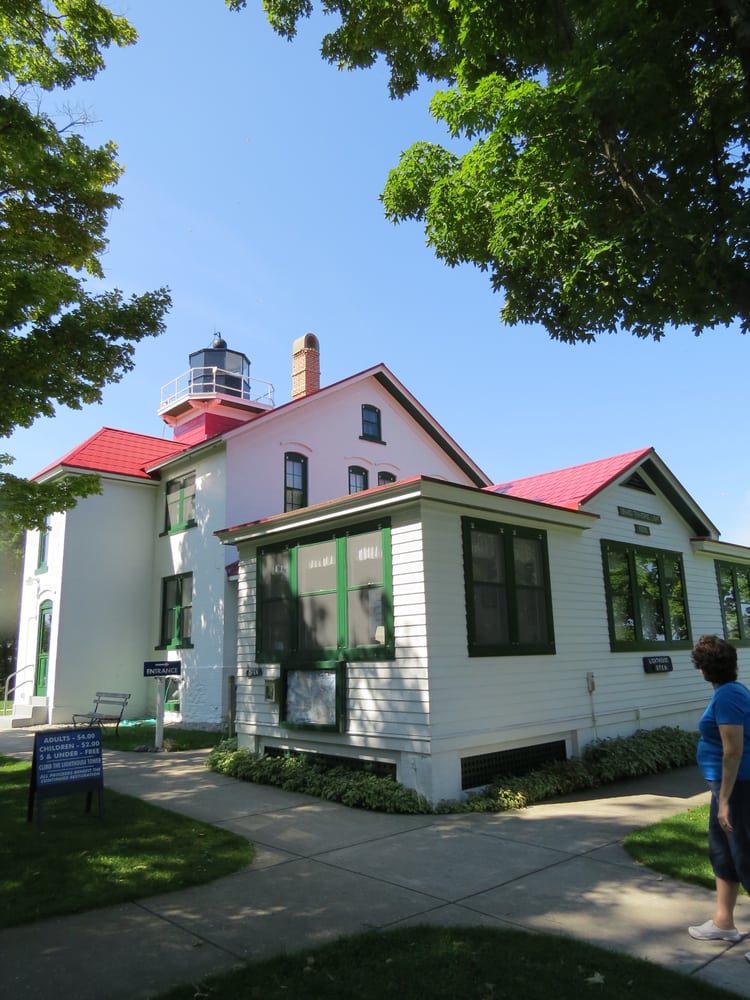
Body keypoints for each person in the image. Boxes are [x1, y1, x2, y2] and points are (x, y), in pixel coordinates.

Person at [688, 634, 750, 945]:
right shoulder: (727, 692)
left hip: (738, 788)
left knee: (745, 856)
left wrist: (725, 800)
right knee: (723, 854)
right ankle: (724, 922)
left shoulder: (729, 696)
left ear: (704, 668)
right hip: (725, 787)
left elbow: (733, 751)